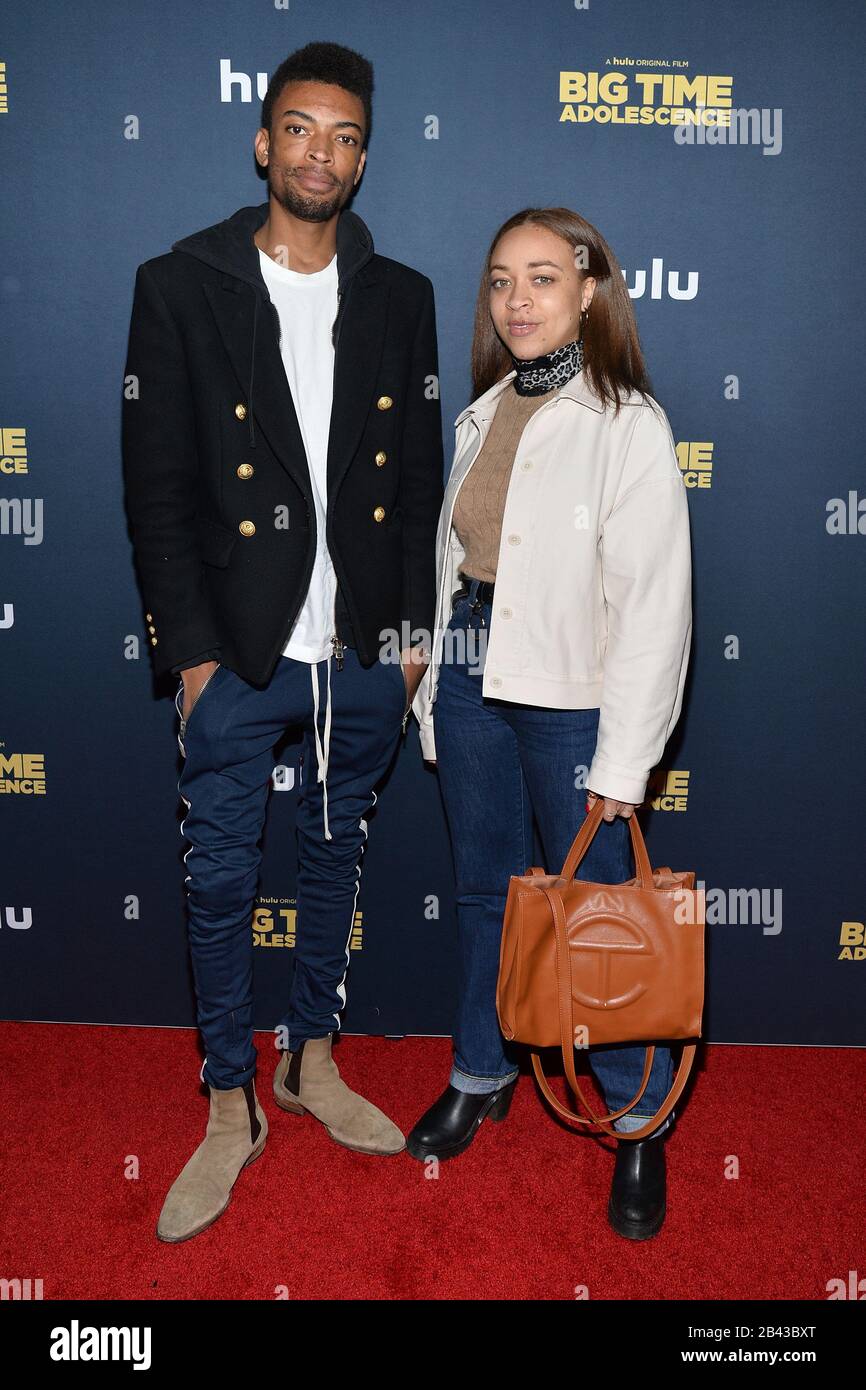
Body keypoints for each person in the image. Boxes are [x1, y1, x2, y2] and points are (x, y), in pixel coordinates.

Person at [121, 41, 443, 1243]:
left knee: (333, 863)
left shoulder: (399, 296)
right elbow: (153, 492)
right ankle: (227, 1101)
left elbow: (413, 489)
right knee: (214, 884)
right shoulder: (180, 283)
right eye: (299, 129)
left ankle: (312, 1060)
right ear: (264, 143)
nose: (321, 151)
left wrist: (408, 641)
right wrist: (191, 657)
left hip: (357, 652)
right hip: (237, 652)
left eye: (344, 135)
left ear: (363, 157)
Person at [406, 207, 692, 1240]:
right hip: (479, 666)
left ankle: (635, 1120)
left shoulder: (627, 420)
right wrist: (438, 673)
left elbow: (655, 604)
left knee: (599, 924)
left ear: (587, 292)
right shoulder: (483, 412)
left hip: (572, 693)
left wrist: (625, 756)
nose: (516, 300)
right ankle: (480, 1072)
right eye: (497, 281)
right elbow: (461, 571)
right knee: (485, 890)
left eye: (540, 278)